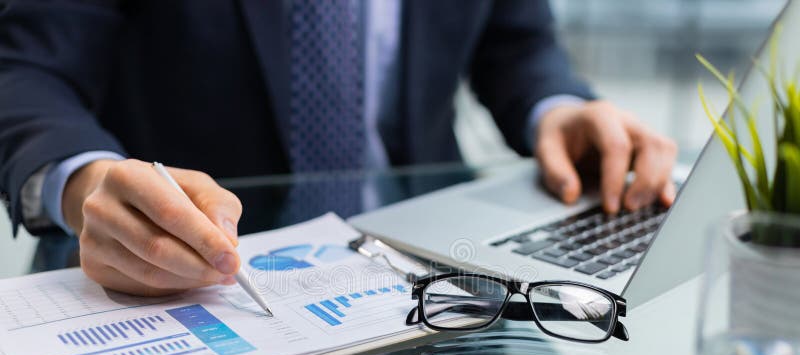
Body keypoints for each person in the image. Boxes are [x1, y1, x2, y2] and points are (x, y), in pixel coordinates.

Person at [0, 0, 677, 297]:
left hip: (436, 274)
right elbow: (28, 68)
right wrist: (89, 180)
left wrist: (557, 107)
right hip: (181, 279)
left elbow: (516, 39)